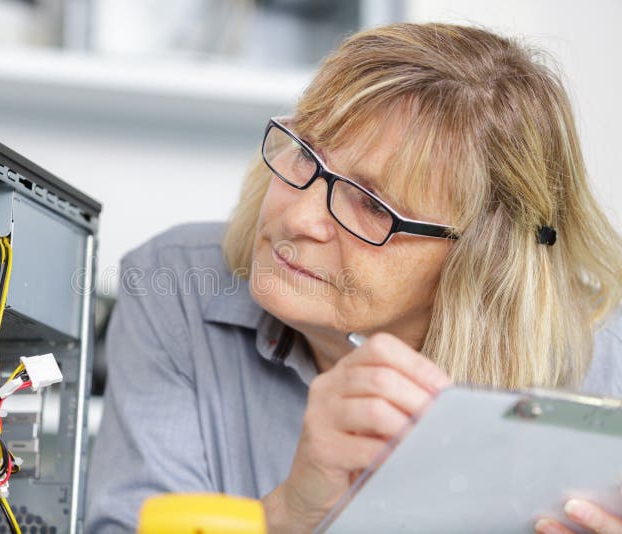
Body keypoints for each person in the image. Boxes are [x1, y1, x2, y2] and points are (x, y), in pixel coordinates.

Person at [86, 22, 622, 533]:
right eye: (305, 154)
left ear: (482, 260)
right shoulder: (173, 284)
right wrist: (289, 514)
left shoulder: (601, 366)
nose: (297, 219)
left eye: (369, 204)